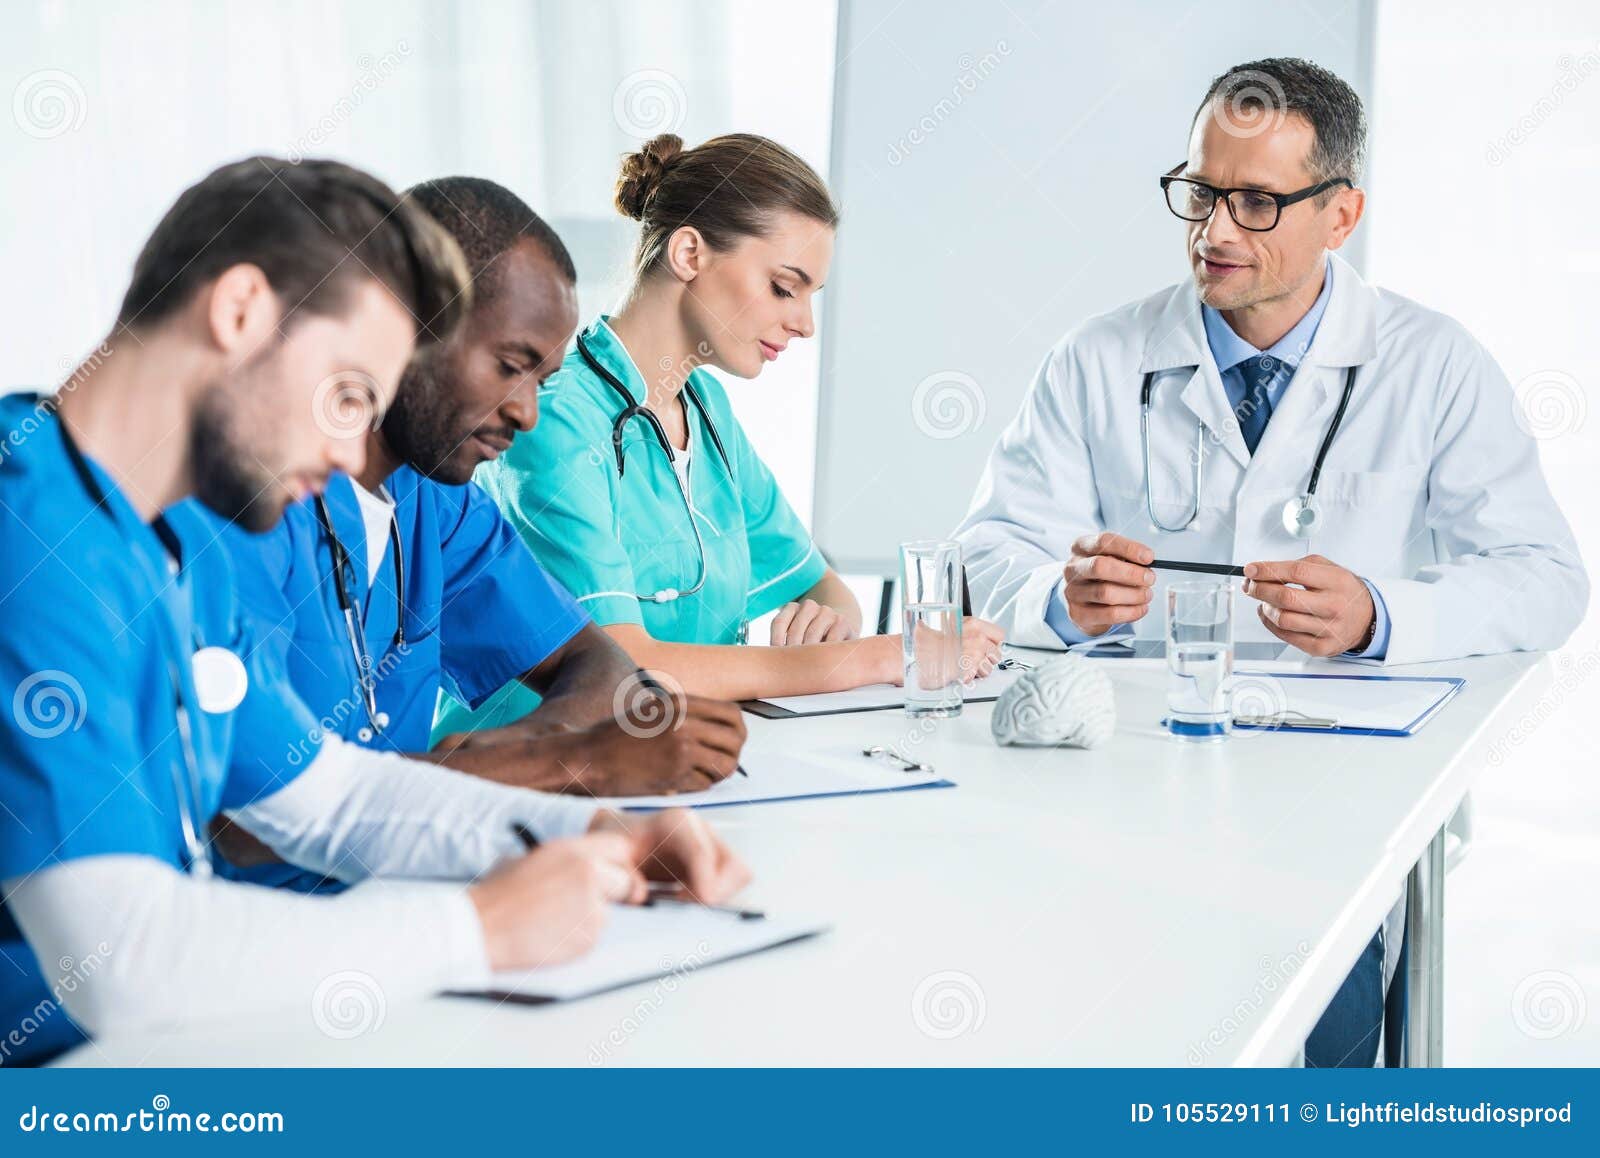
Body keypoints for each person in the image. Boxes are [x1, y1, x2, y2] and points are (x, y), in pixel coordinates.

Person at [0, 158, 747, 1067]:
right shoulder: (31, 536)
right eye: (348, 392)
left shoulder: (163, 545)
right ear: (239, 311)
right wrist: (479, 928)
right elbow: (122, 963)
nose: (357, 447)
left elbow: (329, 799)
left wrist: (600, 837)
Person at [955, 59, 1587, 1066]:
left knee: (1315, 1066)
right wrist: (1062, 600)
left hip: (1337, 795)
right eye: (1200, 193)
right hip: (1122, 798)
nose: (1213, 232)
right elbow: (986, 548)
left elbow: (1547, 580)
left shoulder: (1432, 364)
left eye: (1255, 203)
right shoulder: (1098, 357)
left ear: (1341, 215)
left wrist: (1382, 617)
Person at [197, 177, 748, 838]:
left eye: (542, 381)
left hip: (410, 869)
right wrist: (568, 761)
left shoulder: (438, 499)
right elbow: (245, 821)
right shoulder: (253, 505)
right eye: (509, 365)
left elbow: (599, 664)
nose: (527, 412)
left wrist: (515, 759)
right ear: (410, 324)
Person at [436, 133, 1003, 735]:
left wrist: (827, 626)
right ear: (688, 254)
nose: (804, 324)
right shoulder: (556, 420)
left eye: (811, 296)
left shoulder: (707, 411)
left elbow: (832, 593)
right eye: (785, 287)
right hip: (533, 776)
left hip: (676, 759)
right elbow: (624, 669)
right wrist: (882, 656)